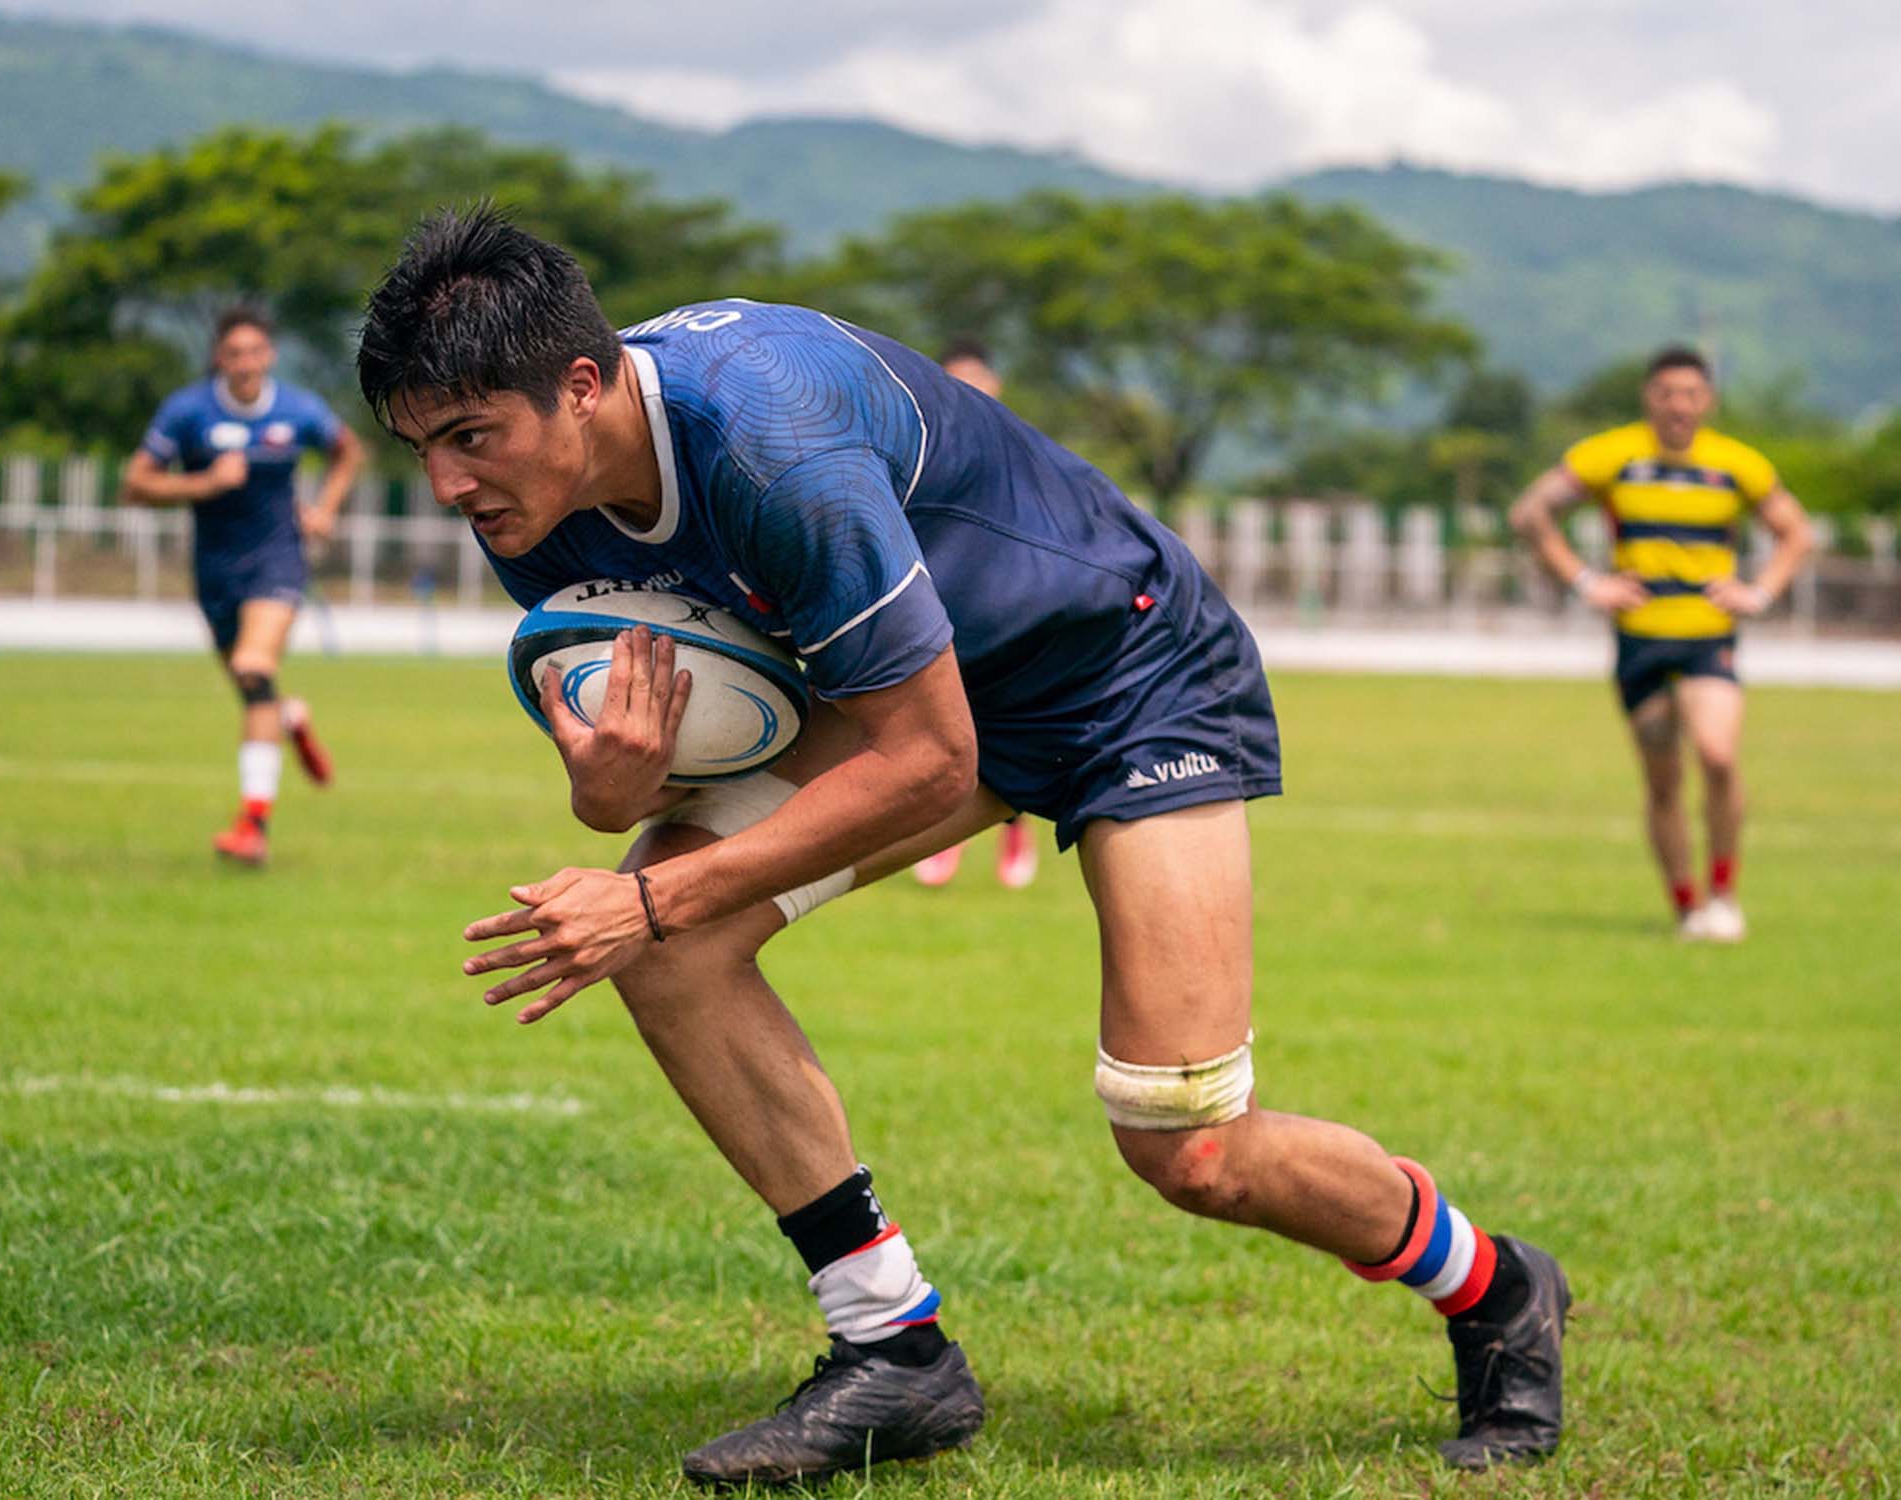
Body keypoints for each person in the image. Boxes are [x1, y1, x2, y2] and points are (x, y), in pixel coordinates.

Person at [358, 209, 1569, 1486]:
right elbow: (641, 785)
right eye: (422, 448)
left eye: (470, 437)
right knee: (672, 943)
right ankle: (896, 1352)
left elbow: (928, 761)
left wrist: (646, 897)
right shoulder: (533, 510)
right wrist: (613, 797)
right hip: (913, 696)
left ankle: (1496, 1287)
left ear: (583, 385)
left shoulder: (769, 442)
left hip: (1122, 671)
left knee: (1188, 1142)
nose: (446, 484)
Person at [1510, 347, 1815, 942]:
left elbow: (1796, 532)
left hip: (1708, 639)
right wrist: (1585, 581)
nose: (1679, 404)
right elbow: (1530, 513)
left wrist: (1760, 592)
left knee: (1719, 754)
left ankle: (1724, 894)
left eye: (1690, 393)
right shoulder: (1612, 456)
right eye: (1667, 392)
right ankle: (1687, 908)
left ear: (1708, 401)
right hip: (1640, 641)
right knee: (1663, 778)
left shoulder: (1735, 464)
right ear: (1649, 398)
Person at [122, 307, 364, 866]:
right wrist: (204, 482)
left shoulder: (298, 410)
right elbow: (135, 484)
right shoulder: (187, 412)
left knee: (253, 667)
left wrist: (325, 508)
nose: (246, 363)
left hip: (279, 562)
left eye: (255, 351)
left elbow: (347, 451)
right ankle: (289, 719)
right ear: (219, 359)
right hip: (215, 572)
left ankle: (252, 825)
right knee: (252, 686)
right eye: (235, 353)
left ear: (270, 356)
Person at [911, 338, 1038, 890]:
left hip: (1011, 601)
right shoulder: (926, 446)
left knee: (1007, 717)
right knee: (944, 717)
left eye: (975, 378)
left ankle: (1015, 825)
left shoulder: (1023, 449)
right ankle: (946, 833)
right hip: (945, 599)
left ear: (996, 385)